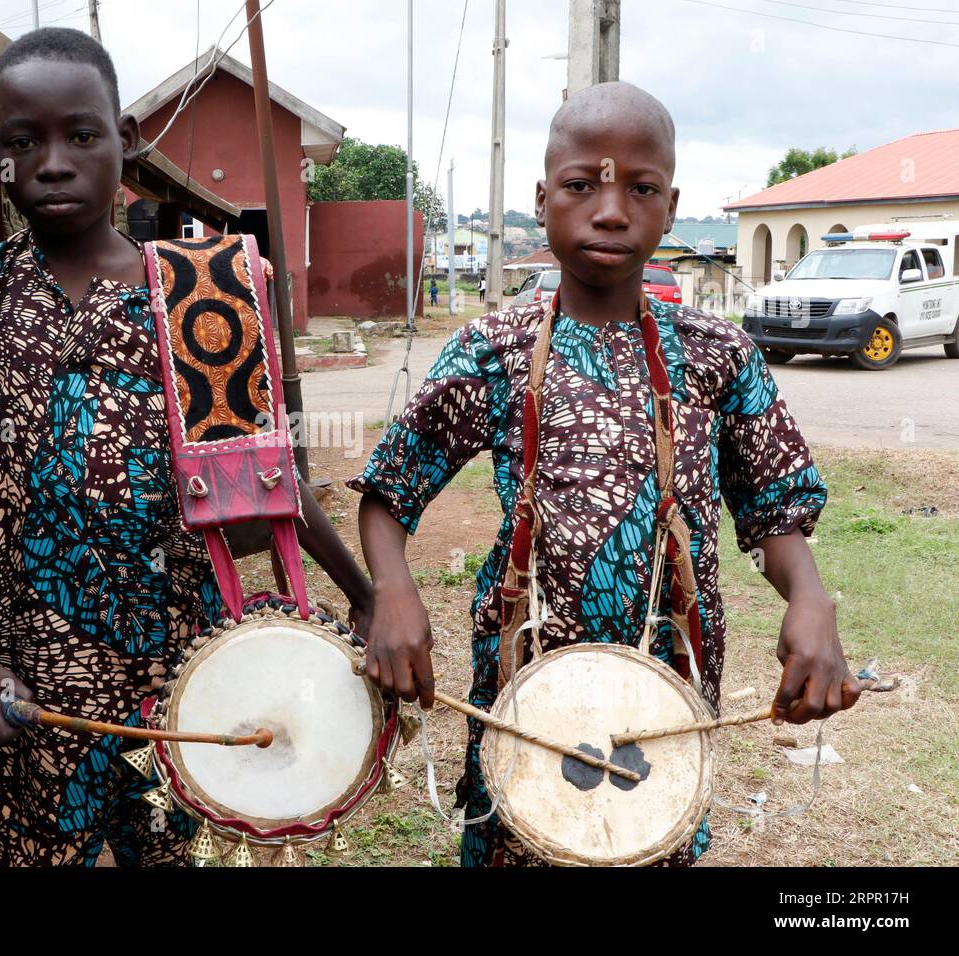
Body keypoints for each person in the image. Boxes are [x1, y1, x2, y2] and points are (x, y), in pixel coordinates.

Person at [0, 27, 372, 867]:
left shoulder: (203, 295)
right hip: (16, 691)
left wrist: (364, 590)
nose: (53, 161)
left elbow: (265, 476)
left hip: (176, 685)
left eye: (82, 135)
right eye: (25, 142)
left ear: (126, 140)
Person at [349, 81, 860, 867]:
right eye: (583, 184)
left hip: (666, 703)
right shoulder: (494, 347)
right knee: (517, 838)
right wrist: (392, 590)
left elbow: (775, 512)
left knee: (651, 842)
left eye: (641, 188)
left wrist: (813, 601)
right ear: (544, 195)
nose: (612, 209)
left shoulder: (718, 354)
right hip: (524, 693)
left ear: (670, 202)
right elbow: (391, 492)